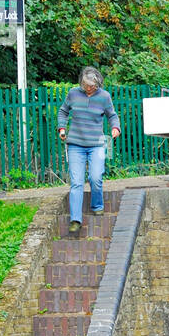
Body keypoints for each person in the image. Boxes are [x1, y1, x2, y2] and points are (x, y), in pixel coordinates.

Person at [58, 66, 121, 233]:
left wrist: (115, 127)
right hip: (75, 144)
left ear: (97, 84)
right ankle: (75, 220)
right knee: (77, 182)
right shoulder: (73, 93)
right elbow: (63, 112)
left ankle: (97, 205)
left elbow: (112, 115)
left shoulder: (104, 96)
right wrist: (62, 128)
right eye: (86, 85)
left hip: (97, 144)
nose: (88, 88)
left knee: (95, 177)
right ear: (82, 82)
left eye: (92, 86)